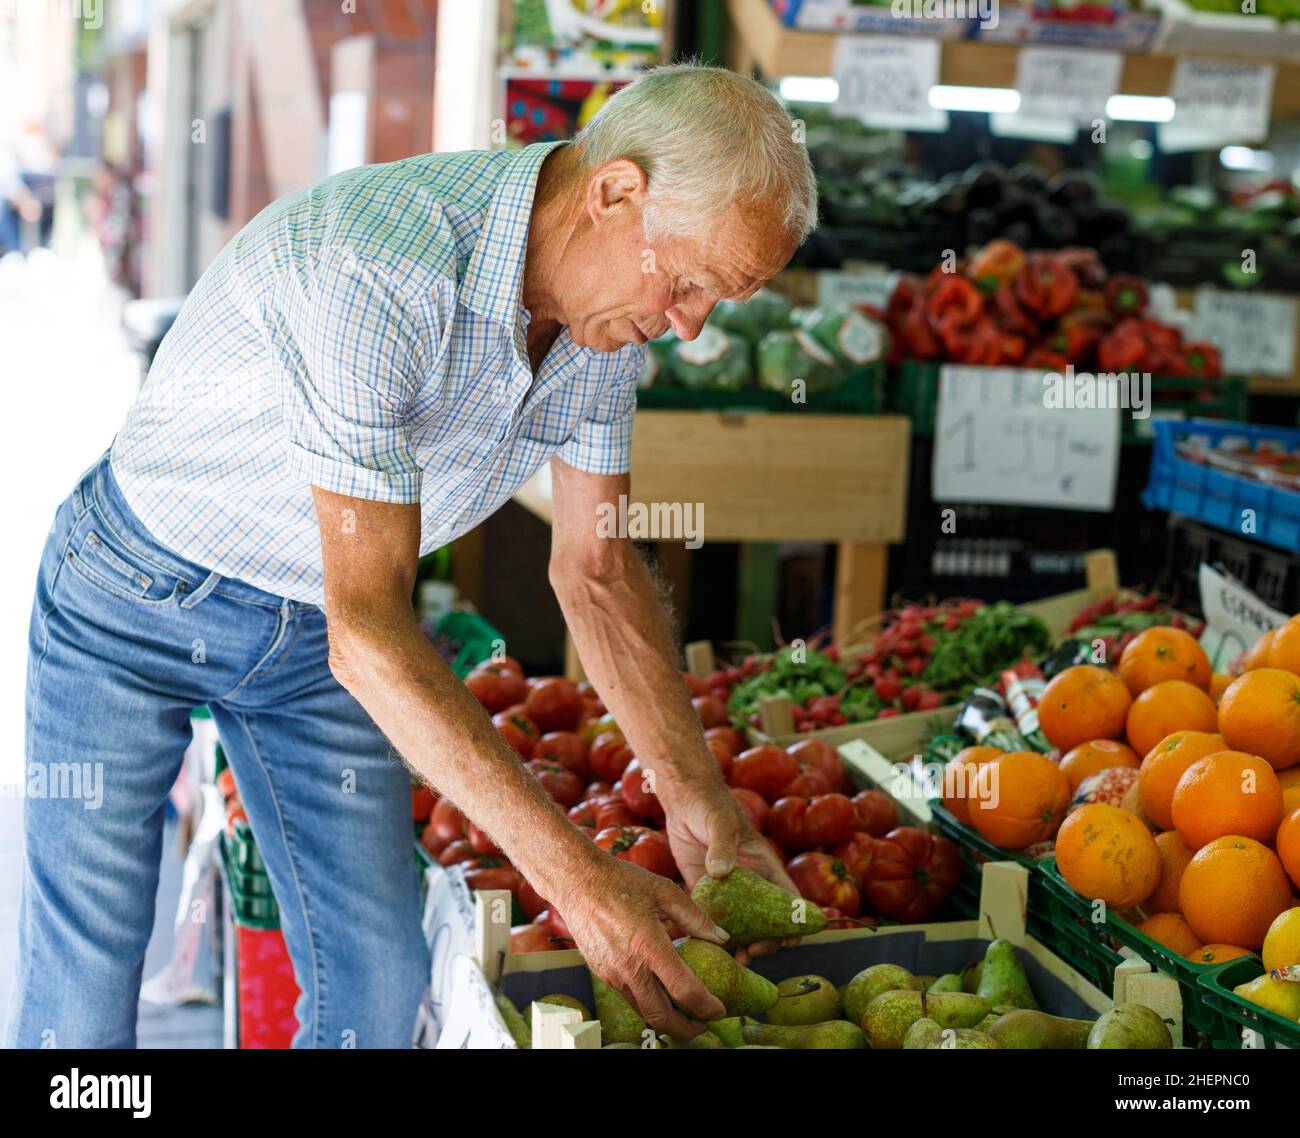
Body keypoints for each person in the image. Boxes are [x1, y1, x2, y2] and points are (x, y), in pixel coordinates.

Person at [7, 63, 817, 1048]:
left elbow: (596, 573)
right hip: (132, 600)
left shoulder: (603, 334)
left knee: (384, 995)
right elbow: (372, 633)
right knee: (84, 1004)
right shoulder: (380, 264)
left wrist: (703, 806)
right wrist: (575, 879)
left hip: (314, 630)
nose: (689, 325)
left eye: (717, 300)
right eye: (687, 281)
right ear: (614, 191)